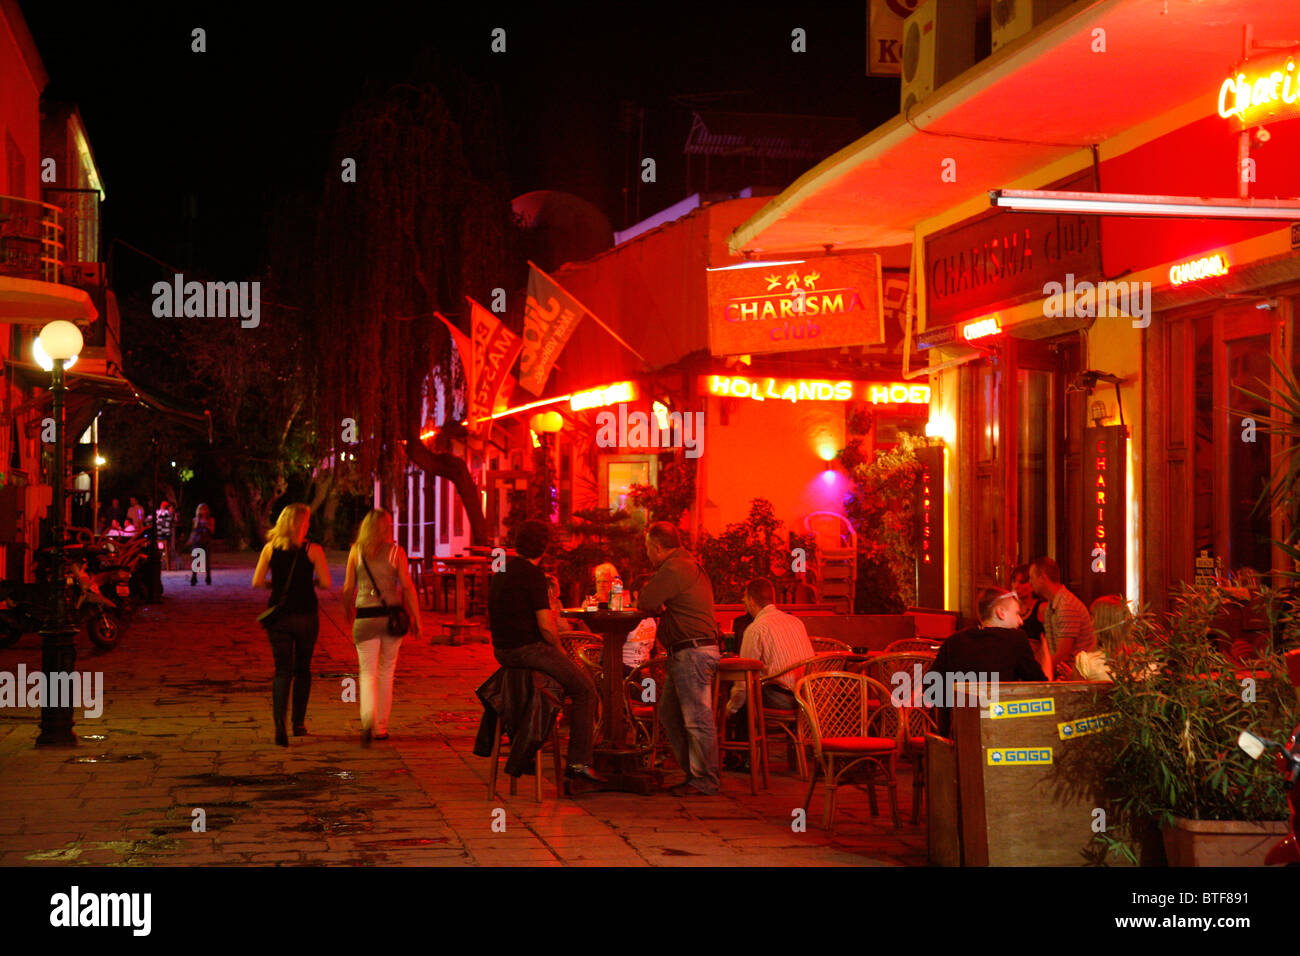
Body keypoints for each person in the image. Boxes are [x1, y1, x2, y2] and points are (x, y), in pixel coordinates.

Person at [487, 519, 604, 783]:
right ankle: (578, 763)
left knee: (558, 684)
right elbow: (546, 626)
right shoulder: (533, 575)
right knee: (586, 689)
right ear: (544, 547)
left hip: (502, 650)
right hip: (527, 648)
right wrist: (561, 653)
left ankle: (528, 746)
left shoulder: (502, 569)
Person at [637, 522, 720, 797]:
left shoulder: (673, 568)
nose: (647, 554)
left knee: (696, 718)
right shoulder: (687, 564)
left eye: (648, 548)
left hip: (692, 652)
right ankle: (693, 775)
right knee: (670, 713)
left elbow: (646, 600)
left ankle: (705, 780)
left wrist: (658, 602)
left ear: (658, 547)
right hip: (689, 651)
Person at [252, 504, 332, 746]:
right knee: (303, 669)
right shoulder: (313, 549)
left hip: (279, 616)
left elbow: (257, 581)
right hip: (306, 614)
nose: (309, 524)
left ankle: (279, 726)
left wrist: (276, 587)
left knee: (282, 670)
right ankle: (298, 723)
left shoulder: (270, 548)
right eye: (306, 521)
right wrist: (310, 581)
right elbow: (327, 582)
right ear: (301, 524)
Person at [343, 509, 422, 745]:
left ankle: (367, 720)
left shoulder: (355, 551)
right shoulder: (396, 552)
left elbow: (348, 587)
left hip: (365, 618)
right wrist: (417, 617)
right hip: (391, 620)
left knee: (367, 674)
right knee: (387, 673)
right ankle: (381, 727)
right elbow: (407, 587)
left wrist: (347, 609)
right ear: (387, 527)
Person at [924, 587, 1047, 736]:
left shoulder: (953, 641)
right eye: (1017, 614)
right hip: (1001, 733)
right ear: (1001, 613)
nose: (1020, 621)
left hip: (959, 736)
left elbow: (930, 689)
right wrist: (1046, 656)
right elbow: (1040, 687)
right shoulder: (1015, 639)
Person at [727, 578, 814, 717]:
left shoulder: (755, 629)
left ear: (752, 600)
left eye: (744, 596)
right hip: (808, 698)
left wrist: (730, 709)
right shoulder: (796, 622)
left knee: (741, 694)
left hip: (782, 699)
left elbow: (743, 682)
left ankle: (744, 738)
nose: (742, 600)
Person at [1029, 556, 1096, 679]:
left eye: (1031, 577)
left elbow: (1062, 654)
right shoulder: (1052, 603)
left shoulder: (1066, 606)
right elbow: (1051, 648)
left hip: (1077, 676)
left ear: (1042, 577)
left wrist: (1036, 675)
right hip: (1064, 673)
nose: (1030, 582)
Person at [1075, 595, 1134, 681]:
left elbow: (1074, 692)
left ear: (1100, 624)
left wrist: (1070, 677)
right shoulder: (1145, 661)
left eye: (1092, 617)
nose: (1090, 624)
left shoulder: (1086, 663)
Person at [1011, 564, 1051, 678]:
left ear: (1032, 583)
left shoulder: (1042, 608)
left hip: (1035, 665)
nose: (1017, 586)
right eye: (1014, 581)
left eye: (1022, 582)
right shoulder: (1009, 609)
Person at [186, 504, 215, 585]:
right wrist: (190, 539)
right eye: (201, 509)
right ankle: (194, 578)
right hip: (197, 541)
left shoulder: (211, 519)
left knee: (206, 561)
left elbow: (212, 531)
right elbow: (193, 531)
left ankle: (208, 578)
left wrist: (207, 525)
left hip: (206, 541)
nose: (203, 511)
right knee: (196, 560)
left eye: (205, 509)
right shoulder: (195, 519)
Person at [155, 500, 176, 570]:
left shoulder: (157, 513)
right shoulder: (168, 514)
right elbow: (171, 522)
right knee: (165, 549)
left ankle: (163, 563)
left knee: (162, 549)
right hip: (165, 535)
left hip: (159, 534)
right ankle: (166, 564)